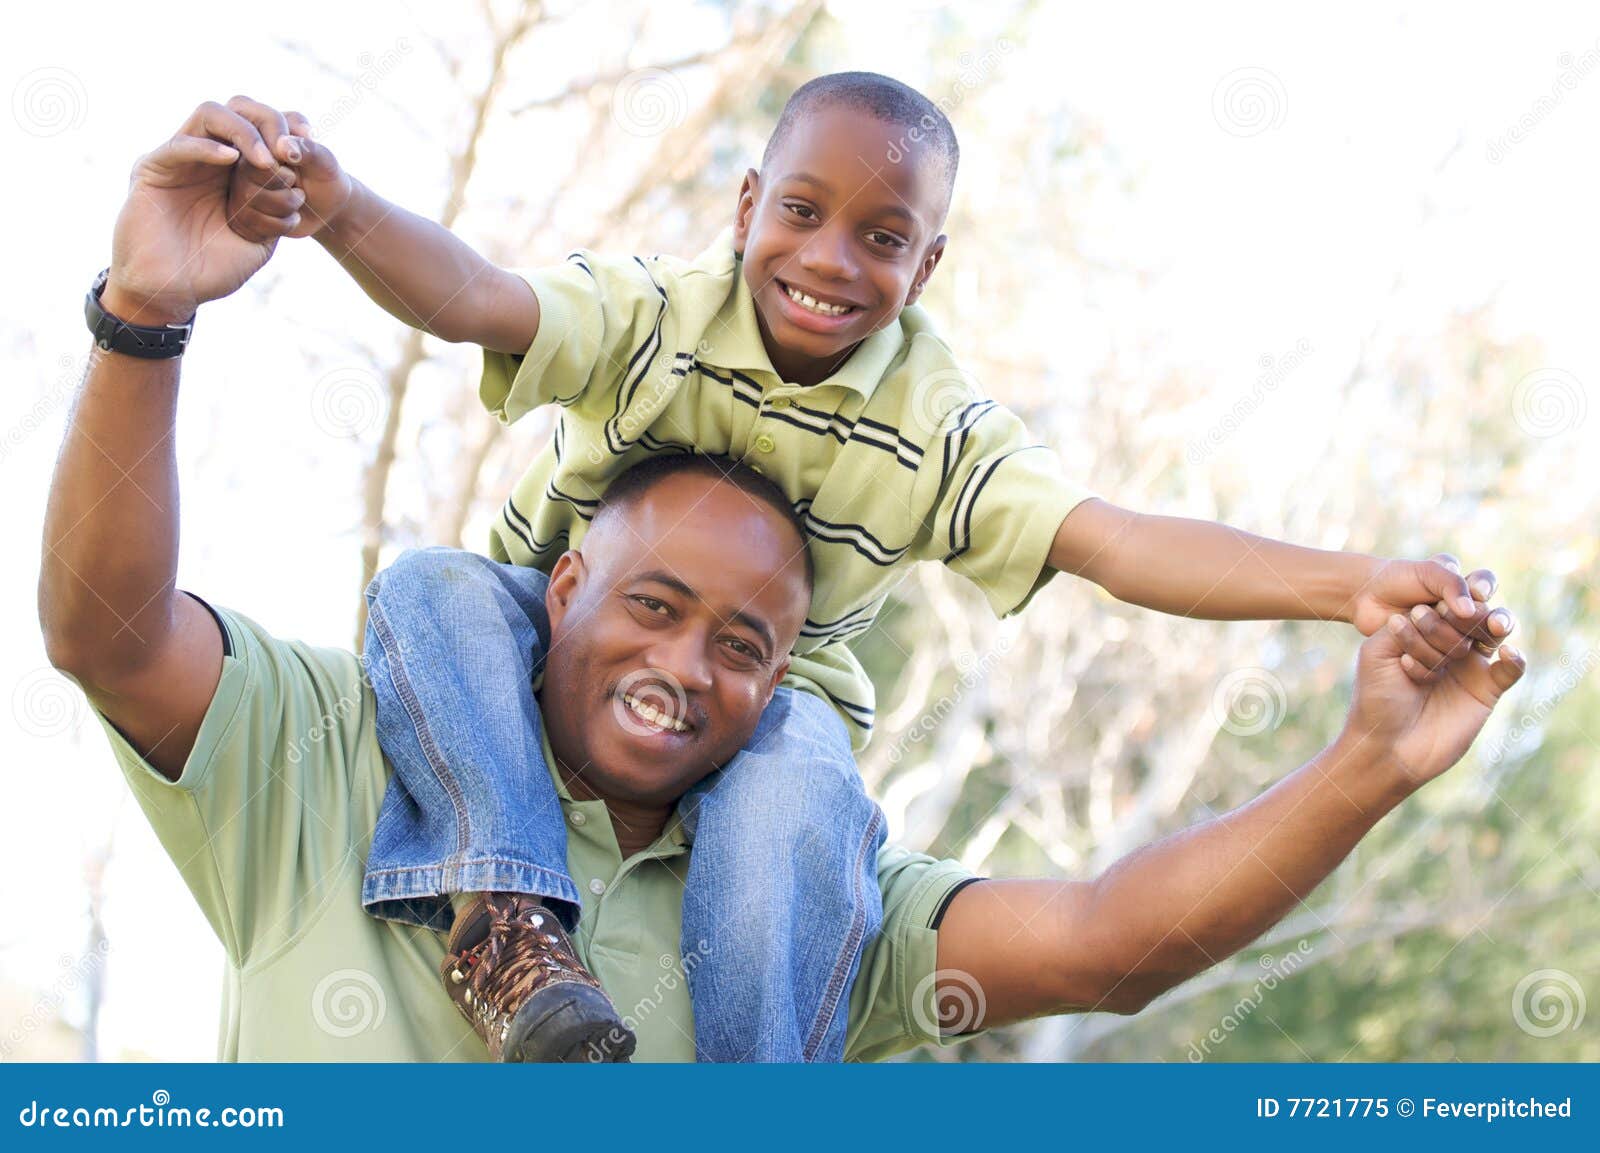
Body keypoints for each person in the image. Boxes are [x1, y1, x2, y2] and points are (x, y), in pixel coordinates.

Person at [39, 103, 1525, 1060]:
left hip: (793, 790)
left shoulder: (795, 873)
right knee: (427, 585)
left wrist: (1364, 704)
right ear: (747, 205)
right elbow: (108, 630)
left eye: (743, 637)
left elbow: (1109, 928)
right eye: (653, 605)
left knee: (807, 785)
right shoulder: (337, 755)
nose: (688, 663)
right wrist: (202, 283)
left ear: (927, 268)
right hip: (472, 656)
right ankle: (504, 913)